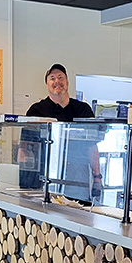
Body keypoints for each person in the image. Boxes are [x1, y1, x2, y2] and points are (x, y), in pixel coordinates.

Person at [24, 64, 102, 199]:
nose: (57, 82)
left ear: (67, 82)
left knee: (78, 216)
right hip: (46, 176)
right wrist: (25, 181)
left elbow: (92, 146)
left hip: (78, 178)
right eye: (52, 78)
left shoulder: (83, 110)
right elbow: (25, 148)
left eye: (61, 77)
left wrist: (97, 178)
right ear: (47, 84)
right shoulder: (36, 110)